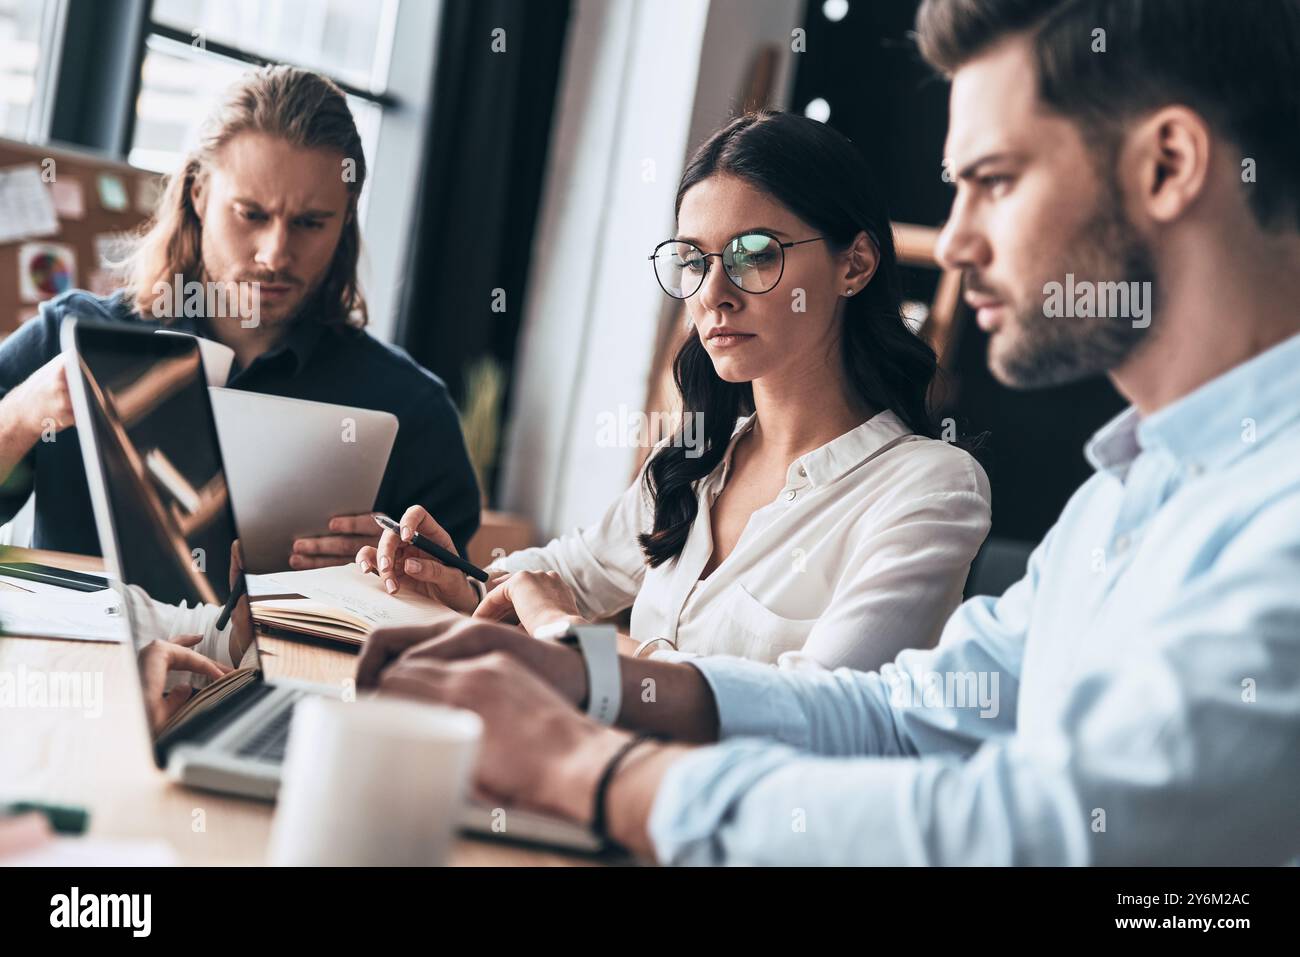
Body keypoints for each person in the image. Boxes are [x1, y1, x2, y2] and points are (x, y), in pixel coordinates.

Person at [357, 0, 1300, 864]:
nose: (958, 241)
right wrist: (583, 684)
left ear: (1168, 164)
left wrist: (593, 768)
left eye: (995, 181)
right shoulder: (1118, 500)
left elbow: (1043, 829)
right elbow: (896, 718)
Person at [360, 110, 991, 672]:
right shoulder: (692, 463)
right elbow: (571, 577)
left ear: (853, 264)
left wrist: (571, 636)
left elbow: (818, 711)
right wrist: (464, 584)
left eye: (753, 254)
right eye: (694, 260)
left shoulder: (930, 487)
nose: (714, 293)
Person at [0, 65, 480, 562]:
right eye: (251, 215)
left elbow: (456, 610)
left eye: (310, 223)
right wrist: (17, 417)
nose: (275, 254)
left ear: (345, 219)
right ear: (199, 194)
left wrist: (389, 576)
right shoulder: (70, 332)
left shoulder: (414, 410)